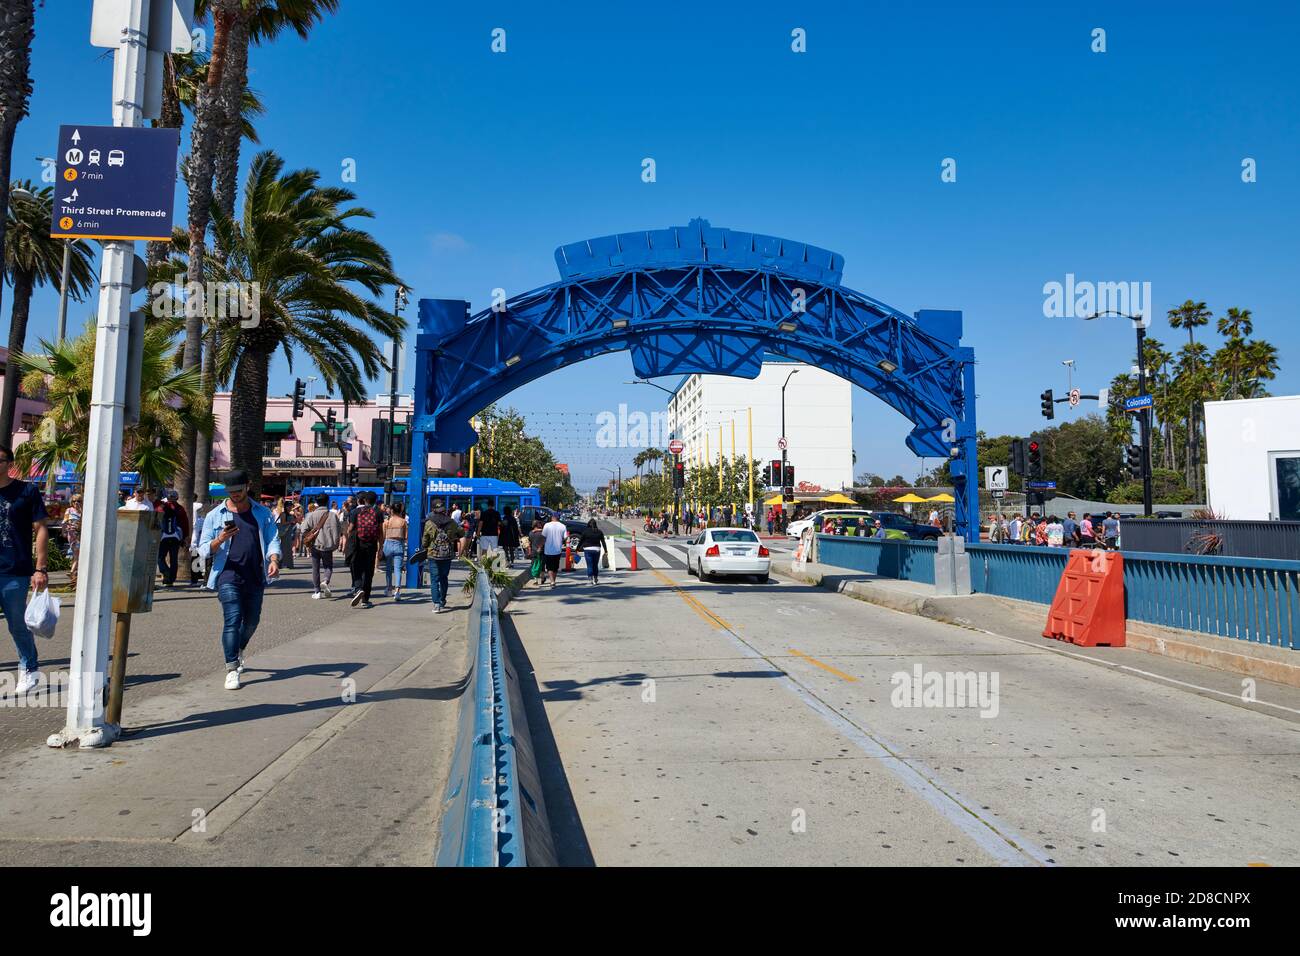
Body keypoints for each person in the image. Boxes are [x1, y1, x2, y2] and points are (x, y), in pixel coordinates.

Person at [197, 469, 281, 690]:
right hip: (227, 574)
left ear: (247, 486)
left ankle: (239, 648)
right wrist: (220, 539)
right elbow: (203, 549)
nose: (235, 495)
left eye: (239, 490)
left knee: (252, 621)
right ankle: (232, 668)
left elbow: (273, 539)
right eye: (231, 491)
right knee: (232, 619)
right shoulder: (215, 515)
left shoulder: (262, 513)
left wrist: (274, 560)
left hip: (254, 575)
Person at [0, 445, 50, 695]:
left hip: (15, 571)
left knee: (17, 625)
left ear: (9, 463)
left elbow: (41, 528)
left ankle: (29, 669)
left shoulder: (26, 491)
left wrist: (40, 568)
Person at [422, 500, 463, 612]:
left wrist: (425, 547)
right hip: (447, 555)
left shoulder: (429, 523)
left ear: (433, 510)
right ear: (444, 510)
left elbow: (425, 540)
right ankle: (442, 600)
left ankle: (436, 604)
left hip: (433, 554)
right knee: (444, 578)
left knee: (434, 579)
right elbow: (462, 533)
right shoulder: (451, 522)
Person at [302, 494, 341, 599]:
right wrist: (336, 543)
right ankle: (325, 580)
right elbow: (338, 531)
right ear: (327, 501)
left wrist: (310, 537)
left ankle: (317, 591)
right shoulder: (333, 515)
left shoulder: (311, 515)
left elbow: (303, 529)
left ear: (317, 502)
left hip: (315, 545)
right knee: (328, 566)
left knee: (315, 568)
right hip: (328, 545)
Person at [347, 491, 381, 608]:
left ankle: (358, 588)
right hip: (371, 545)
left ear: (364, 500)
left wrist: (347, 540)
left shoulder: (356, 511)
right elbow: (380, 532)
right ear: (375, 501)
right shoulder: (378, 512)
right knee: (368, 571)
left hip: (358, 544)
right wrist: (380, 547)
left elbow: (350, 528)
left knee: (356, 567)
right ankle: (365, 600)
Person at [155, 489, 191, 589]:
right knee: (174, 559)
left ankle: (166, 573)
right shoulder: (180, 508)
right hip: (176, 537)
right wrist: (185, 537)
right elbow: (185, 524)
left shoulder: (162, 506)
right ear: (177, 498)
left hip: (163, 537)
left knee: (160, 557)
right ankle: (171, 579)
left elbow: (156, 514)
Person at [380, 501, 408, 600]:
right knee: (397, 569)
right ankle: (397, 591)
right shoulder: (403, 522)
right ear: (401, 510)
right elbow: (405, 536)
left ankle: (388, 589)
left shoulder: (386, 522)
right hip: (398, 544)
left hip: (388, 544)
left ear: (391, 510)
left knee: (388, 568)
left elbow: (382, 536)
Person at [541, 512, 568, 587]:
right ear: (558, 518)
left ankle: (552, 581)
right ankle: (553, 581)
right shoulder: (563, 526)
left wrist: (541, 546)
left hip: (548, 550)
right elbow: (566, 537)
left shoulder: (547, 525)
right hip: (557, 550)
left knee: (549, 567)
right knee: (555, 567)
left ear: (552, 517)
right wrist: (565, 544)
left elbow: (543, 537)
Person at [577, 518, 607, 584]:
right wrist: (606, 550)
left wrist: (577, 549)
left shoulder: (585, 532)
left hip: (588, 549)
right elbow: (603, 542)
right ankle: (595, 578)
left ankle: (590, 578)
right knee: (595, 565)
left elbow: (581, 541)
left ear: (588, 524)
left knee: (589, 565)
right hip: (597, 549)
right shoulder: (599, 531)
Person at [64, 494, 82, 588]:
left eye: (78, 501)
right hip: (72, 534)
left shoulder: (83, 511)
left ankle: (73, 572)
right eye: (74, 501)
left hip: (81, 534)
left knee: (76, 554)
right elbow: (65, 521)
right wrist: (64, 529)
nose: (76, 503)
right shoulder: (69, 510)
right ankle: (73, 572)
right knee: (76, 554)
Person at [526, 518, 547, 587]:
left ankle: (536, 580)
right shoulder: (543, 533)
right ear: (538, 525)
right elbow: (544, 541)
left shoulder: (530, 533)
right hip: (542, 551)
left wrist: (529, 551)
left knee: (534, 565)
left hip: (534, 551)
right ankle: (543, 578)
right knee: (542, 565)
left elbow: (529, 543)